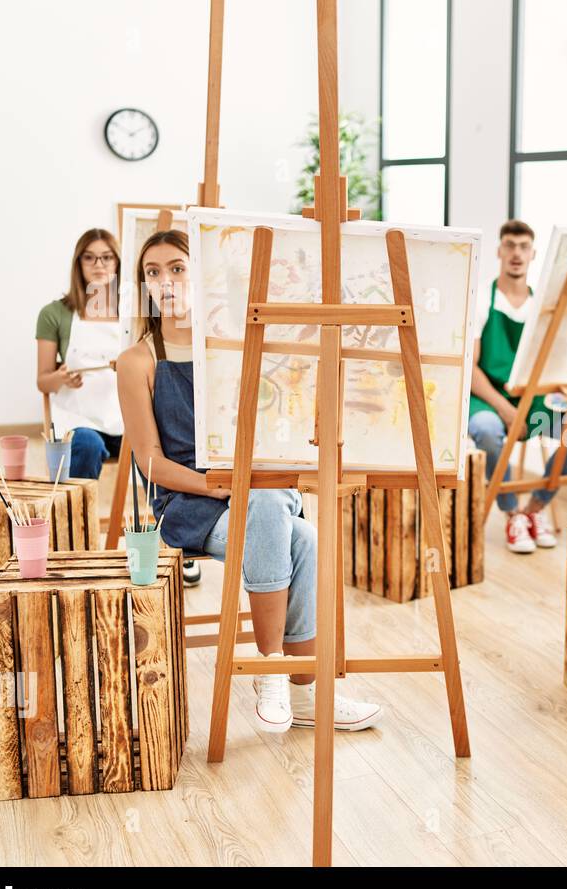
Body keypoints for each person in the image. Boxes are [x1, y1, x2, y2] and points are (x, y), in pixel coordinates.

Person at [115, 229, 382, 734]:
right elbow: (149, 462)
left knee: (282, 518)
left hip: (258, 486)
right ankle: (284, 677)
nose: (165, 281)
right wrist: (216, 486)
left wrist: (254, 477)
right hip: (190, 502)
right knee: (299, 536)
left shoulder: (238, 345)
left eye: (177, 268)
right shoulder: (137, 361)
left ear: (201, 275)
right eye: (153, 272)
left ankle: (283, 681)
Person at [468, 219, 567, 553]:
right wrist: (504, 407)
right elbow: (470, 369)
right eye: (510, 245)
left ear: (533, 253)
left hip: (536, 403)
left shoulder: (545, 304)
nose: (516, 253)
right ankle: (512, 513)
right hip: (489, 399)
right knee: (484, 429)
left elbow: (558, 361)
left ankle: (535, 508)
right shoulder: (481, 300)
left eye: (523, 247)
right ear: (499, 251)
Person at [35, 228, 124, 478]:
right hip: (78, 420)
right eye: (89, 257)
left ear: (118, 262)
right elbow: (43, 381)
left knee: (155, 449)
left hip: (125, 417)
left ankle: (161, 516)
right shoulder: (54, 314)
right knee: (87, 446)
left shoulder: (133, 312)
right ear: (78, 263)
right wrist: (60, 378)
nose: (99, 264)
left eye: (107, 257)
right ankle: (77, 516)